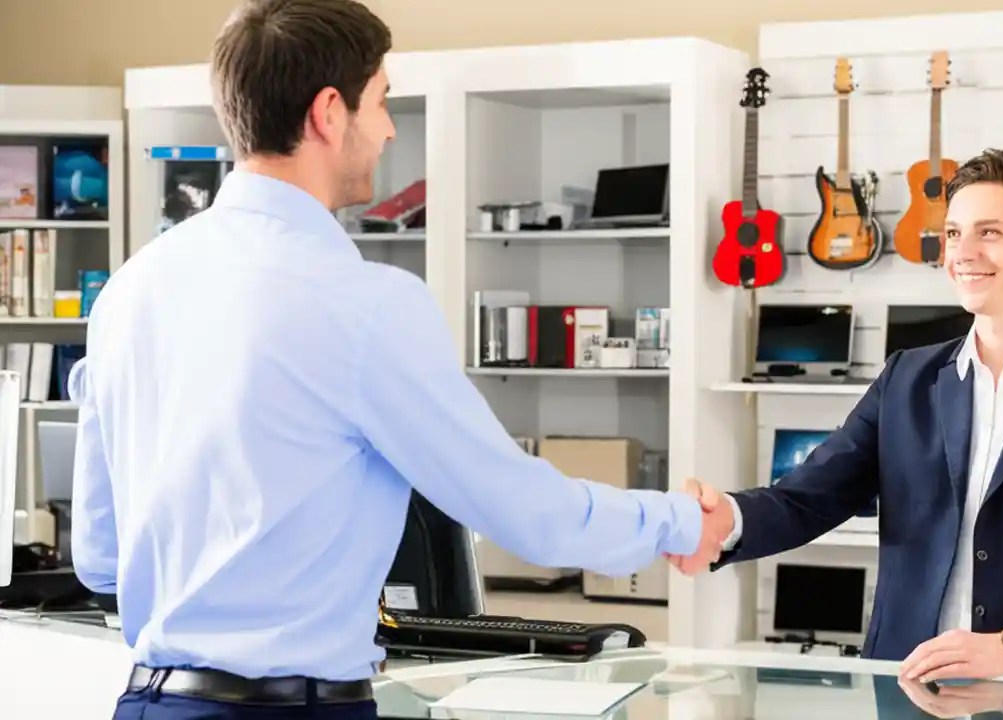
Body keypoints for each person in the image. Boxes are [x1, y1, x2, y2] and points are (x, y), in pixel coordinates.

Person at [69, 1, 718, 718]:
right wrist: (683, 523)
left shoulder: (128, 290)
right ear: (327, 112)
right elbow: (524, 511)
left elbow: (99, 556)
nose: (386, 129)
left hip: (148, 704)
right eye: (380, 102)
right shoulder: (364, 302)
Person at [675, 149, 1003, 683]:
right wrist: (727, 519)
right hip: (906, 691)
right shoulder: (906, 378)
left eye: (990, 233)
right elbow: (808, 498)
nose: (962, 252)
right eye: (954, 233)